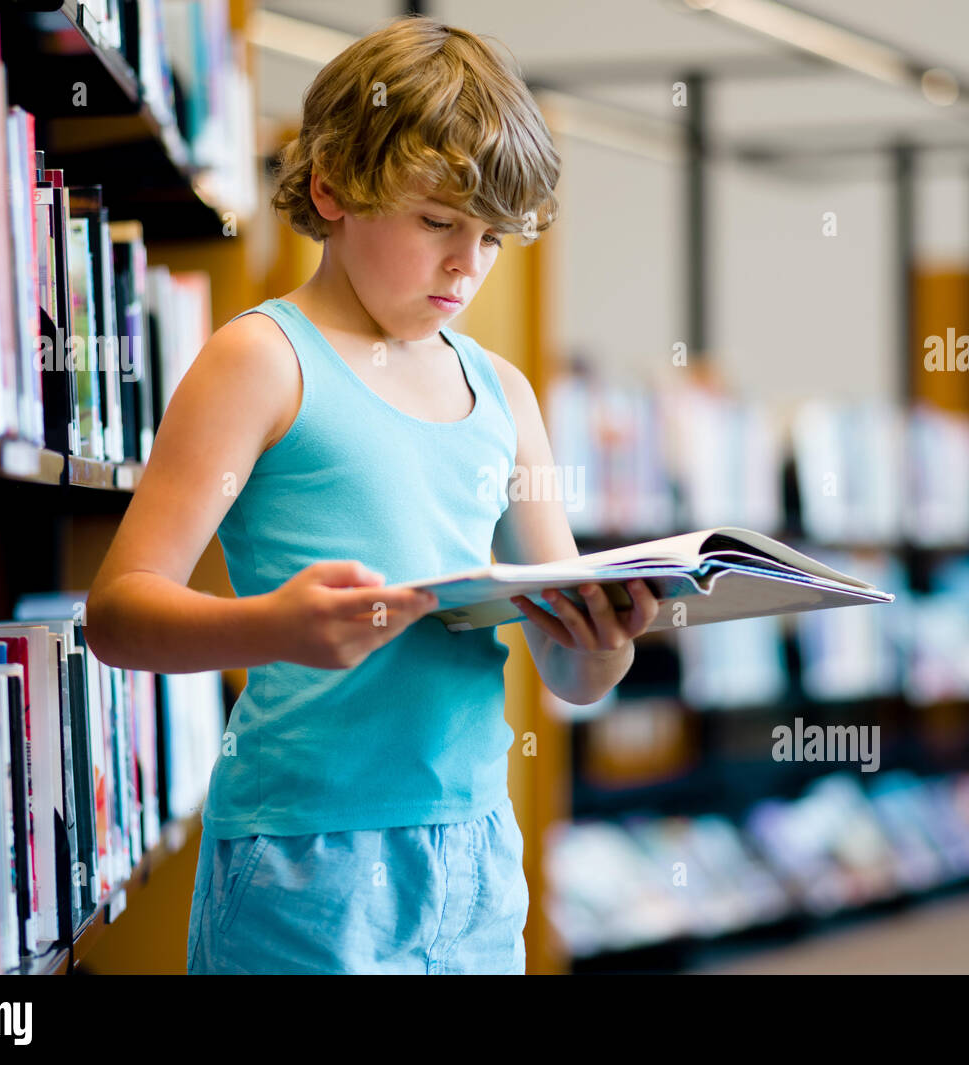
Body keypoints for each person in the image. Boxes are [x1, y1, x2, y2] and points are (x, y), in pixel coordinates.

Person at [84, 14, 660, 975]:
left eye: (490, 238)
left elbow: (568, 677)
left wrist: (604, 645)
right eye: (438, 222)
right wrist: (276, 626)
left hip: (478, 850)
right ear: (332, 188)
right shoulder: (260, 361)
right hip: (308, 857)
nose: (465, 265)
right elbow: (118, 612)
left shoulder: (504, 393)